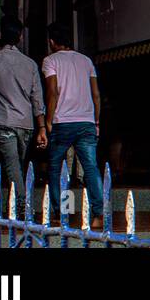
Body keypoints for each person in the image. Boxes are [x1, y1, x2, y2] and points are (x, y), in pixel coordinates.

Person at [0, 19, 47, 214]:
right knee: (16, 167)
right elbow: (37, 98)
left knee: (13, 167)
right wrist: (42, 128)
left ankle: (23, 207)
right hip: (27, 124)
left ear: (0, 35)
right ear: (20, 37)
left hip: (5, 122)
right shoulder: (30, 64)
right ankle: (16, 207)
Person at [43, 23, 104, 229]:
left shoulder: (50, 61)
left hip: (63, 122)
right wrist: (95, 121)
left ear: (52, 41)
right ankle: (98, 215)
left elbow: (53, 92)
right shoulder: (86, 61)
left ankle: (63, 213)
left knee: (57, 169)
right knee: (91, 167)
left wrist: (48, 120)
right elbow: (96, 95)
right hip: (86, 122)